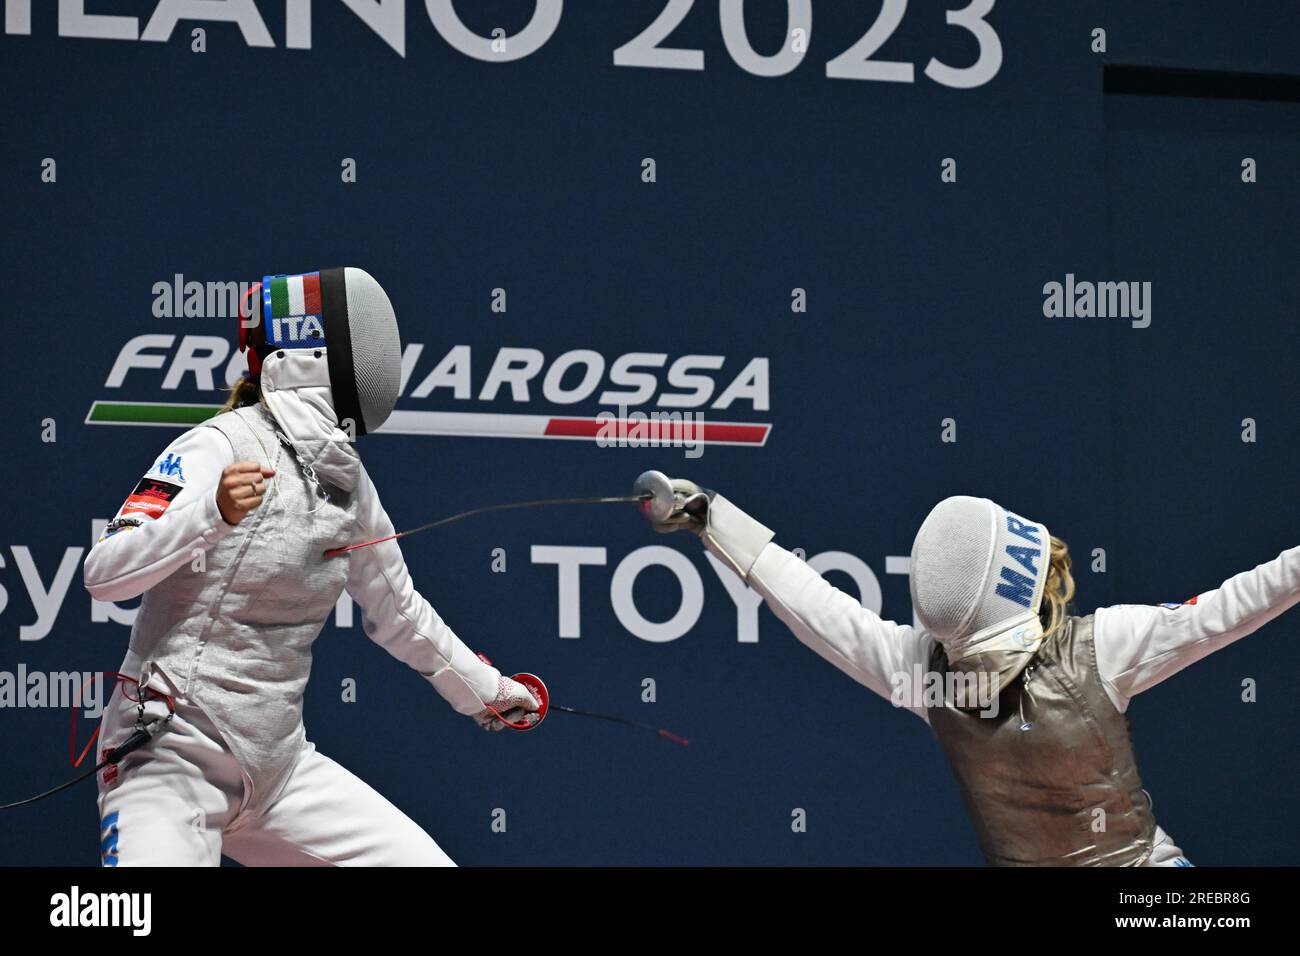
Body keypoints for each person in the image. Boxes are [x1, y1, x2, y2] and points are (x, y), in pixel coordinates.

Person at [84, 268, 540, 867]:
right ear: (312, 353)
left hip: (278, 769)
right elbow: (106, 573)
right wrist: (210, 513)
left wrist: (490, 692)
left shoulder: (347, 483)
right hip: (168, 759)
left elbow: (399, 611)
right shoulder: (220, 444)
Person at [646, 479, 1300, 866]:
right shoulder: (1101, 651)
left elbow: (817, 609)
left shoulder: (925, 680)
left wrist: (714, 520)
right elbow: (1230, 609)